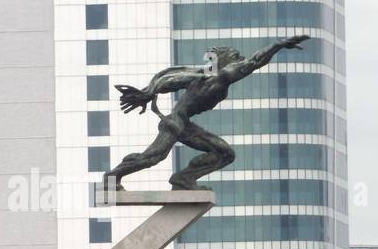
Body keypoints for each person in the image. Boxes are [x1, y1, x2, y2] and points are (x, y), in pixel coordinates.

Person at [102, 35, 310, 191]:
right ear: (226, 61)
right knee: (152, 158)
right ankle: (110, 180)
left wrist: (150, 92)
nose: (241, 60)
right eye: (237, 57)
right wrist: (279, 44)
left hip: (183, 124)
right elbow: (254, 62)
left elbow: (169, 82)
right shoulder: (222, 75)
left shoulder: (207, 76)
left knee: (225, 153)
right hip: (176, 123)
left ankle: (183, 179)